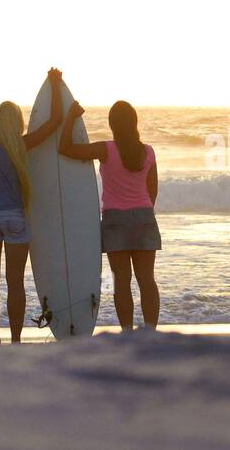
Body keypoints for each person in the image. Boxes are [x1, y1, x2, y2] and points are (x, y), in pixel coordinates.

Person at [0, 67, 65, 343]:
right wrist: (55, 85)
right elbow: (55, 120)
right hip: (14, 218)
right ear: (19, 122)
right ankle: (16, 339)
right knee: (15, 283)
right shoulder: (22, 145)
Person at [60, 99, 160, 331]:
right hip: (144, 218)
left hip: (115, 221)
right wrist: (142, 212)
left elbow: (65, 148)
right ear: (135, 122)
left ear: (112, 124)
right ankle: (151, 334)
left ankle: (126, 333)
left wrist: (71, 117)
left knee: (121, 283)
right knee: (147, 281)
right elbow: (152, 189)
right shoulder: (148, 152)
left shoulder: (106, 150)